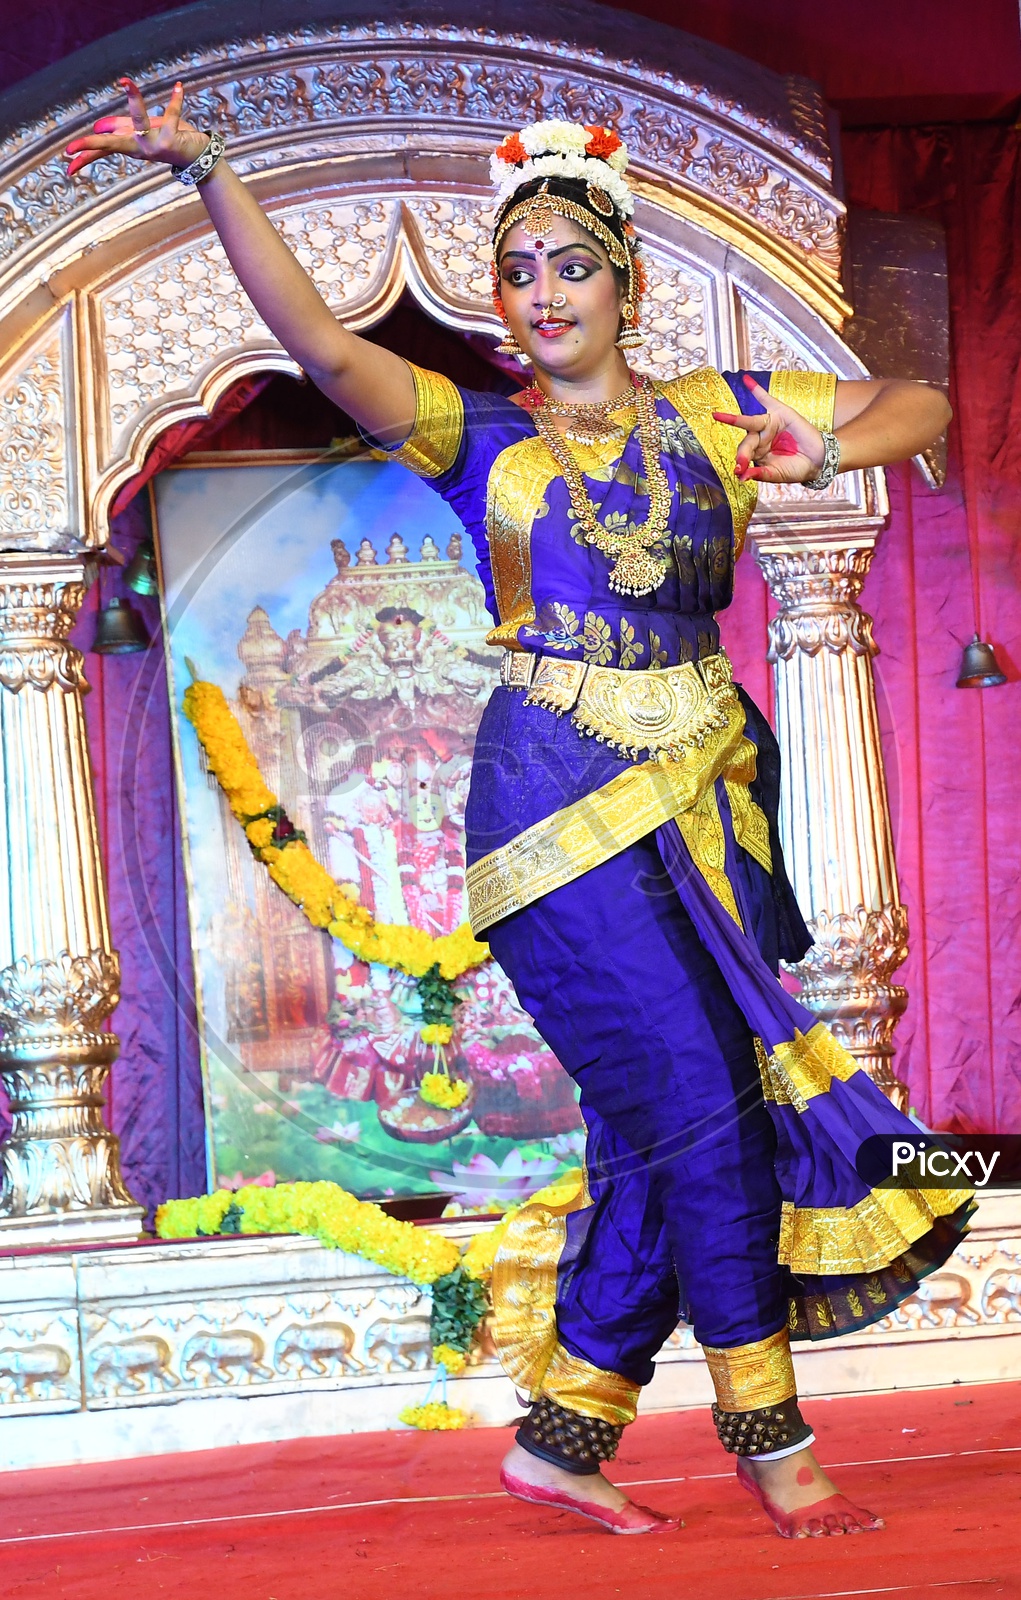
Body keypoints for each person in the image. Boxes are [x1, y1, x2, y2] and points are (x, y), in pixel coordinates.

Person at [67, 91, 969, 1541]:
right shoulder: (474, 433)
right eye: (518, 270)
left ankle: (564, 1433)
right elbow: (319, 342)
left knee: (666, 1120)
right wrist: (210, 167)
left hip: (704, 795)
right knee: (697, 1107)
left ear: (626, 283)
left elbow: (918, 403)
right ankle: (768, 1432)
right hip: (552, 806)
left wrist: (825, 454)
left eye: (568, 264)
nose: (540, 293)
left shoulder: (715, 412)